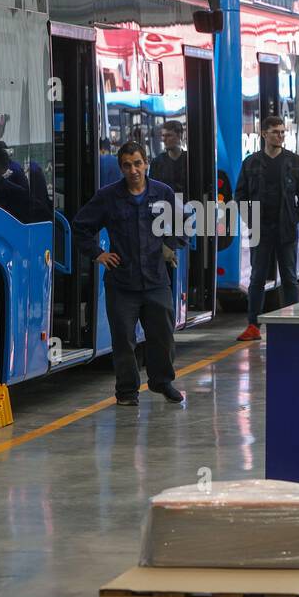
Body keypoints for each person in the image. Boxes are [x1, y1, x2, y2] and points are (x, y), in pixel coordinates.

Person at [73, 141, 186, 406]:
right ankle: (126, 391)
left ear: (146, 163)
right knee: (124, 340)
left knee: (163, 336)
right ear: (121, 168)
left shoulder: (163, 193)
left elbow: (183, 223)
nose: (133, 170)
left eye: (137, 163)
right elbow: (80, 227)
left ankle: (162, 381)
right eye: (127, 165)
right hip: (122, 283)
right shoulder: (108, 197)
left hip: (156, 280)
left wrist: (170, 244)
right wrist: (97, 254)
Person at [234, 114, 299, 342]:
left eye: (282, 132)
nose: (280, 136)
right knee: (257, 278)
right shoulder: (251, 163)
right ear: (264, 134)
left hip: (285, 229)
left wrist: (294, 218)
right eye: (275, 132)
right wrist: (250, 218)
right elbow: (240, 194)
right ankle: (253, 325)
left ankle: (293, 324)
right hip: (261, 229)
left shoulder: (294, 162)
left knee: (289, 277)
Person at [150, 120, 188, 197]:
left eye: (168, 135)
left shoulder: (189, 159)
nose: (164, 139)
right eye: (163, 135)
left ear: (179, 135)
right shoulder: (157, 162)